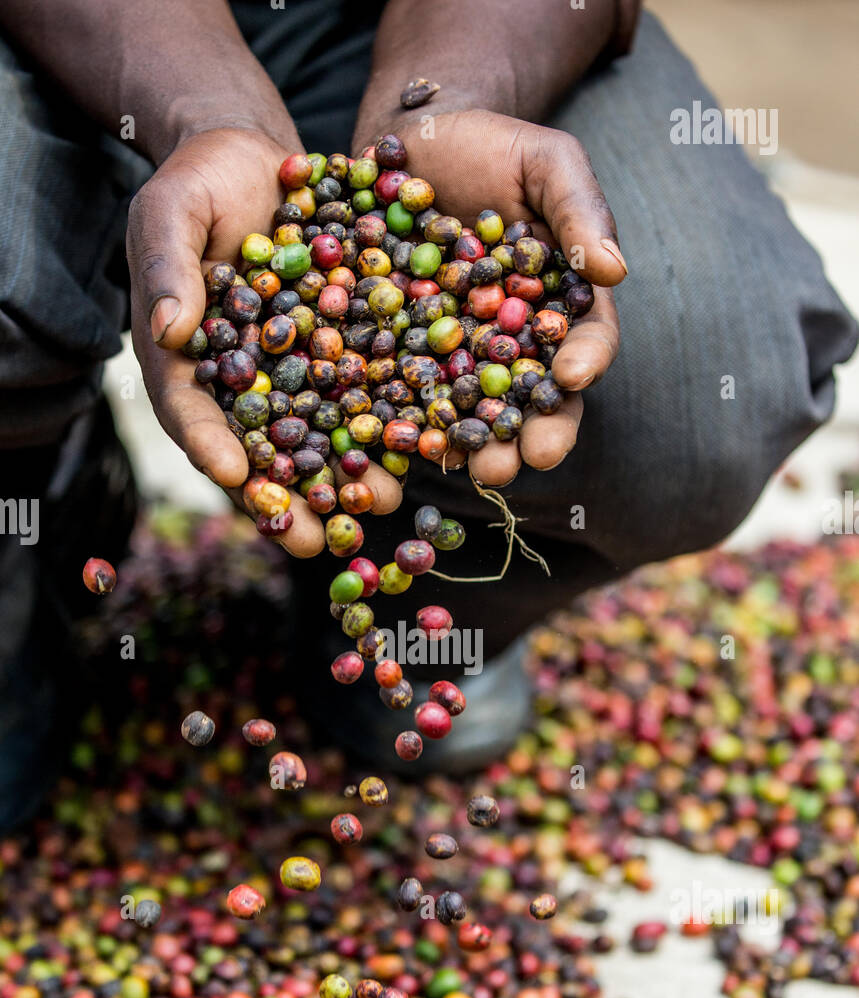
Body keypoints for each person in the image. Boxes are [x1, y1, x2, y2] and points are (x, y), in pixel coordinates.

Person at [0, 0, 855, 823]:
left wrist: (452, 101)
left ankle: (405, 620)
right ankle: (38, 493)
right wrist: (203, 113)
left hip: (419, 24)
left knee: (700, 384)